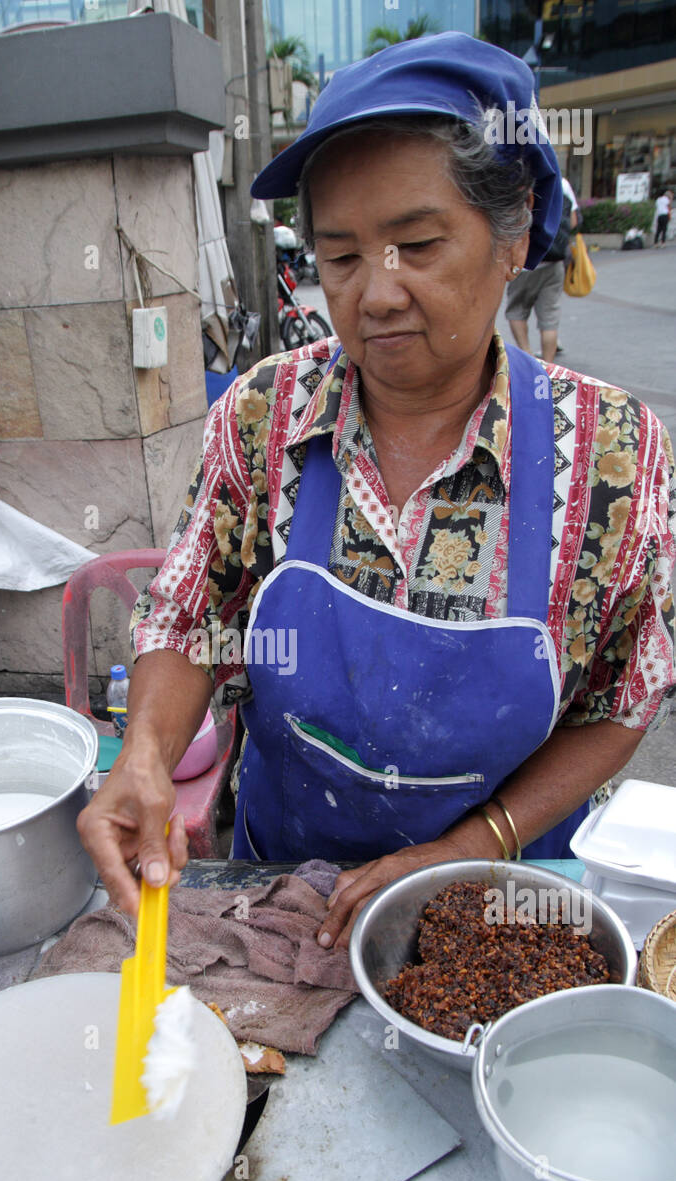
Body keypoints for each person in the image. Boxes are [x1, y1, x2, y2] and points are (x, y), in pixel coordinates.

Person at [78, 33, 676, 949]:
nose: (376, 294)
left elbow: (623, 699)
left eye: (418, 244)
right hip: (288, 890)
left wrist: (474, 844)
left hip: (502, 895)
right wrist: (148, 754)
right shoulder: (266, 415)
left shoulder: (614, 457)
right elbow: (194, 613)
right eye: (342, 257)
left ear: (513, 233)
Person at [506, 175, 578, 362]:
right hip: (554, 260)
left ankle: (528, 357)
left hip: (524, 262)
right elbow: (573, 222)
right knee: (550, 318)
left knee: (517, 310)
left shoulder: (517, 178)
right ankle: (547, 366)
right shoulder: (562, 184)